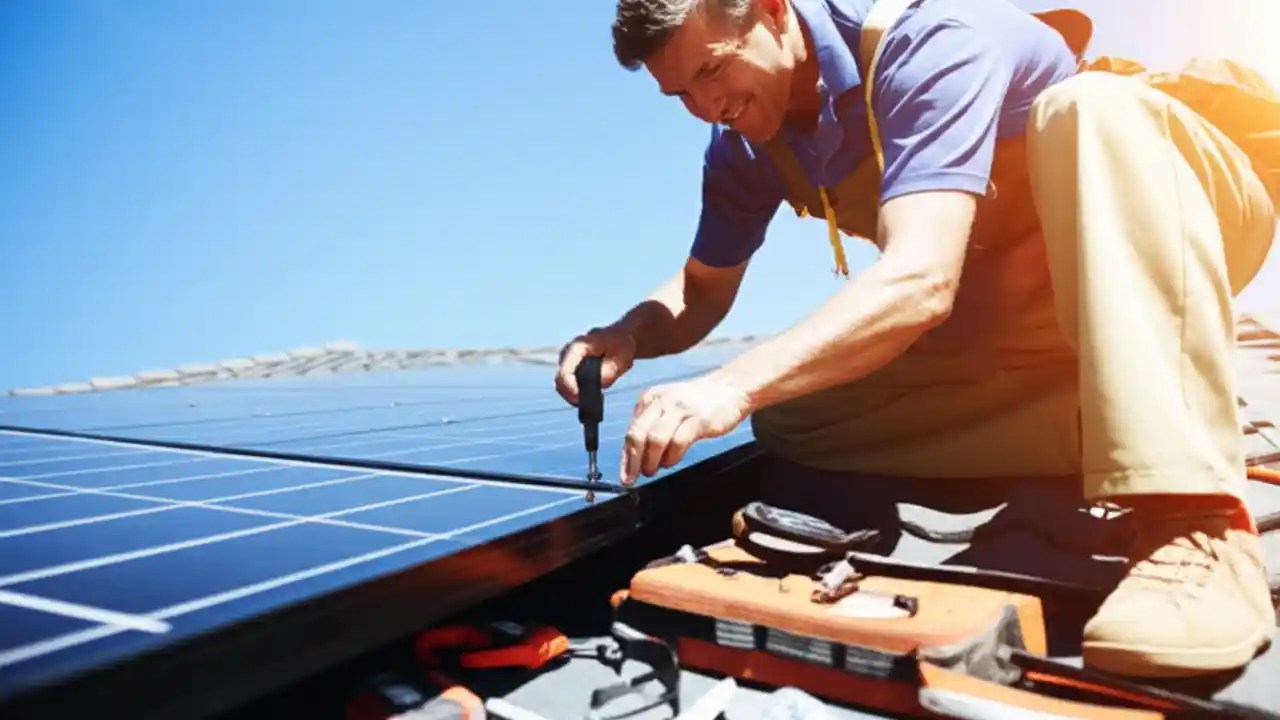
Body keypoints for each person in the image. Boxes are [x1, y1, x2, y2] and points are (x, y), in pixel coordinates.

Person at [554, 0, 1277, 678]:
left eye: (712, 70)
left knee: (1090, 110)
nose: (707, 106)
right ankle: (1118, 412)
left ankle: (1197, 521)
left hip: (1167, 236)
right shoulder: (748, 144)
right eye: (681, 94)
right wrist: (628, 334)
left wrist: (729, 383)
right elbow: (701, 290)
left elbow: (922, 280)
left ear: (772, 10)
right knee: (792, 417)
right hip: (1019, 318)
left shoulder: (926, 43)